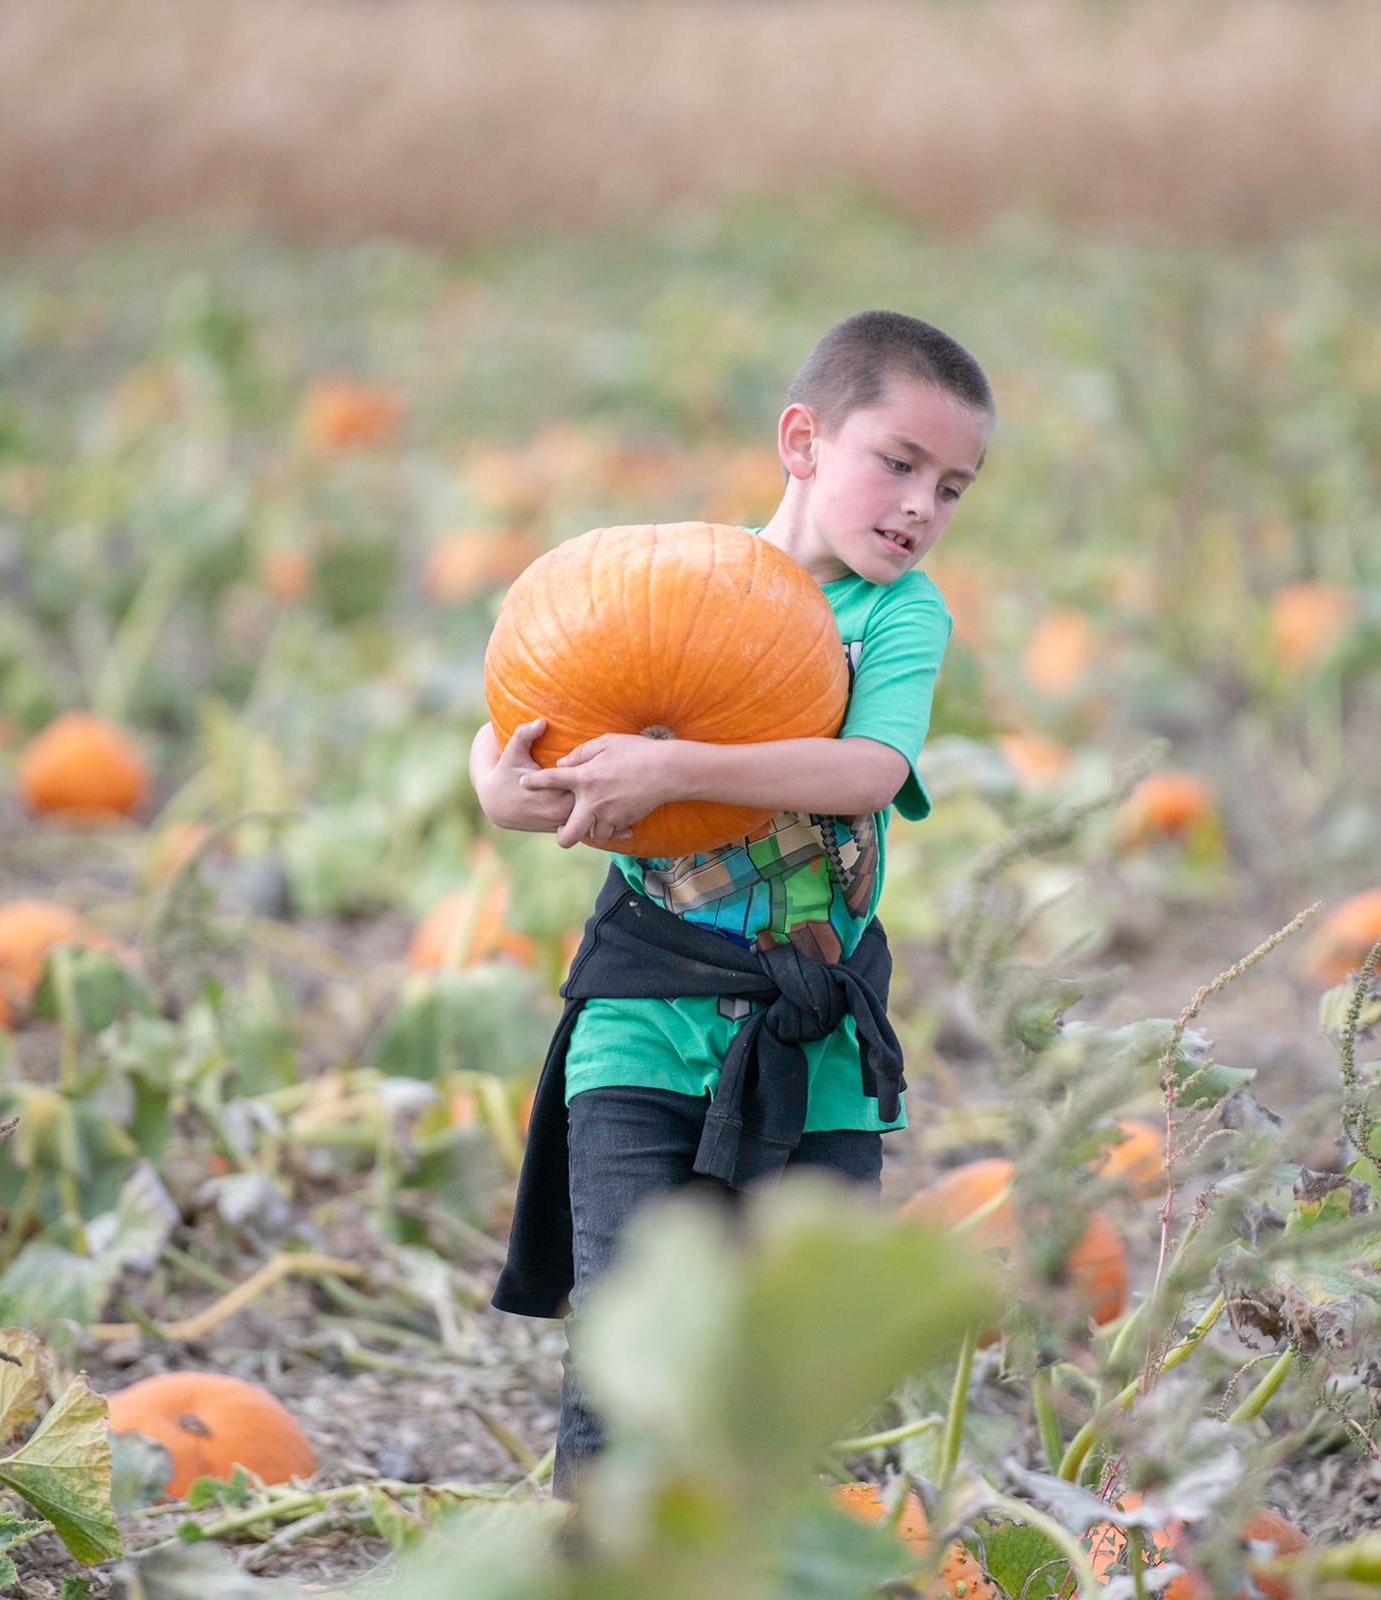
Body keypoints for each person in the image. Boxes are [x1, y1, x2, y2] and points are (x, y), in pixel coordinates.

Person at [466, 309, 992, 1498]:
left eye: (951, 487)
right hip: (641, 1021)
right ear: (802, 440)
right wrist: (496, 783)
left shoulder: (898, 614)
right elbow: (515, 709)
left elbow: (871, 769)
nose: (921, 505)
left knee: (788, 1370)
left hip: (813, 1047)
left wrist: (677, 767)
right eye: (897, 462)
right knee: (622, 1348)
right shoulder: (668, 581)